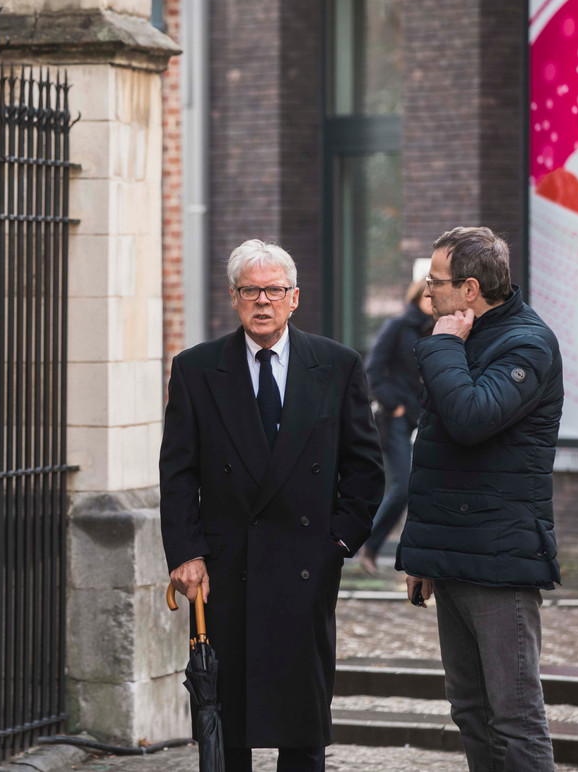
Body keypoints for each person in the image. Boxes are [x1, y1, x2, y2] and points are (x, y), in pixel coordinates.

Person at [160, 238, 385, 772]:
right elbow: (177, 472)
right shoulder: (196, 369)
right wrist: (186, 553)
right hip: (225, 569)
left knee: (301, 723)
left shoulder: (337, 365)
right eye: (250, 291)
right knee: (226, 725)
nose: (262, 301)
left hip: (305, 569)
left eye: (274, 290)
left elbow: (365, 467)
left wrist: (338, 541)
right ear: (233, 299)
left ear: (294, 297)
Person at [397, 226, 563, 772]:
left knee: (515, 717)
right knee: (469, 710)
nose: (428, 296)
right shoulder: (464, 335)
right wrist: (422, 554)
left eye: (436, 283)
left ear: (470, 289)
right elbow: (438, 456)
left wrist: (444, 345)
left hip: (501, 561)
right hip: (455, 556)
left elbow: (470, 419)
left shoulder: (527, 344)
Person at [357, 281, 434, 574]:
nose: (431, 300)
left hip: (426, 418)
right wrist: (393, 405)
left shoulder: (439, 328)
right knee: (403, 486)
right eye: (426, 295)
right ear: (415, 297)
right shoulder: (398, 326)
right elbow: (373, 369)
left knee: (425, 488)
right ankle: (369, 546)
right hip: (398, 418)